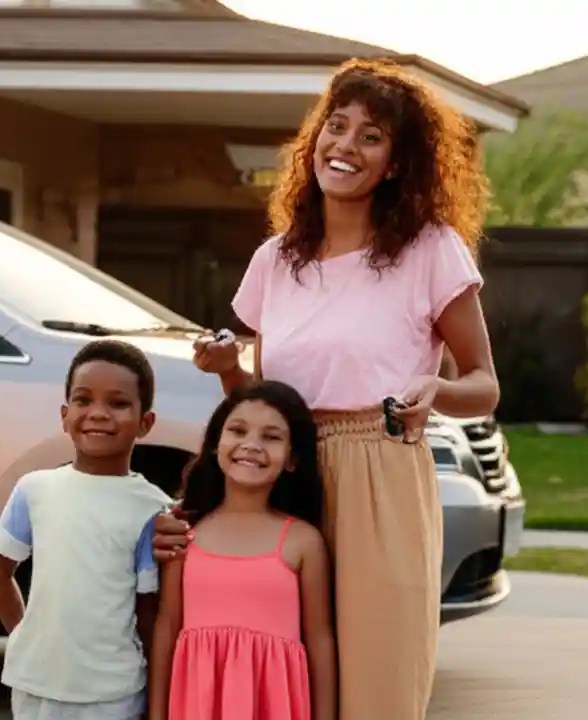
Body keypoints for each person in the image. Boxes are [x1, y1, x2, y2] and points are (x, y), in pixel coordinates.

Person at [151, 57, 501, 718]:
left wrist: (435, 389)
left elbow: (484, 385)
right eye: (335, 127)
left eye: (371, 136)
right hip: (286, 471)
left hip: (381, 469)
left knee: (376, 674)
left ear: (396, 163)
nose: (345, 145)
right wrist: (228, 370)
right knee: (282, 674)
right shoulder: (275, 261)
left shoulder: (430, 250)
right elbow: (265, 397)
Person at [0, 339, 172, 720]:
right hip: (35, 685)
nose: (98, 413)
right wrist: (24, 635)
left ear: (145, 422)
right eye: (84, 400)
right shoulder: (34, 489)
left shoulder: (152, 508)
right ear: (65, 414)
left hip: (113, 694)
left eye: (118, 403)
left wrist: (159, 698)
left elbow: (149, 610)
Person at [148, 380, 336, 720]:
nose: (251, 445)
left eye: (271, 436)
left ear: (292, 459)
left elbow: (319, 640)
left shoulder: (303, 541)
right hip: (197, 705)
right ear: (215, 444)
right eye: (237, 430)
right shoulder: (185, 533)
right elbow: (167, 626)